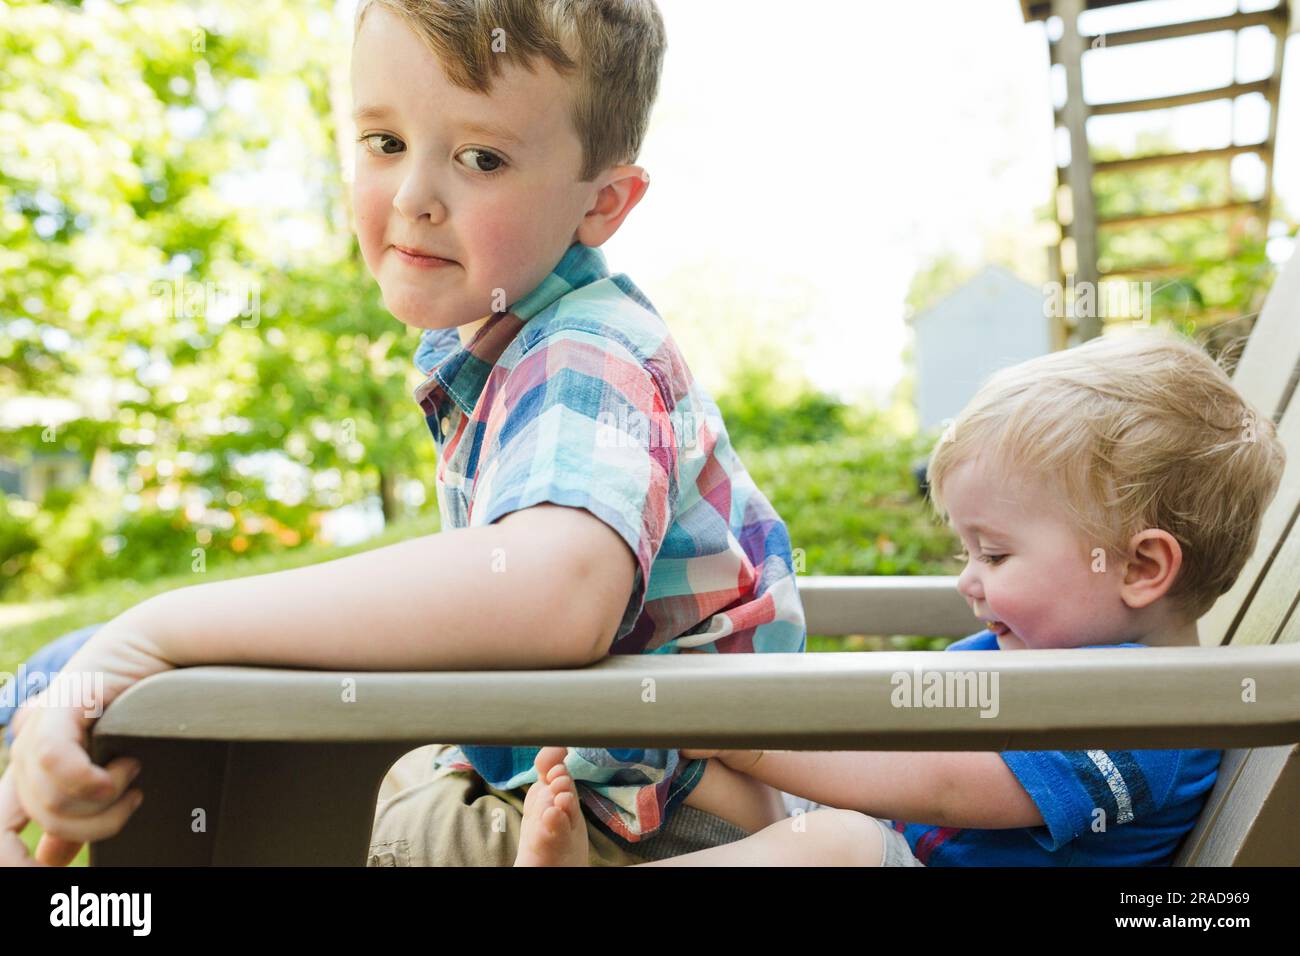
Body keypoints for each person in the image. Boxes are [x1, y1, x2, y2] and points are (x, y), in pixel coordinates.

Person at [0, 0, 807, 868]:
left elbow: (552, 592)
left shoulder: (588, 350)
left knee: (405, 813)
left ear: (602, 203)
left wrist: (159, 629)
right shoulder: (510, 346)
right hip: (592, 797)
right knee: (59, 666)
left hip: (666, 825)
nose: (416, 197)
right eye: (384, 143)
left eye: (481, 157)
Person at [513, 330, 1287, 866]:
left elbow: (947, 782)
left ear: (1141, 567)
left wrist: (750, 739)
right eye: (966, 550)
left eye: (996, 552)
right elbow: (904, 731)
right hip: (906, 845)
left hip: (897, 852)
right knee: (760, 797)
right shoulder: (1035, 651)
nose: (967, 579)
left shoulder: (1145, 717)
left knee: (835, 848)